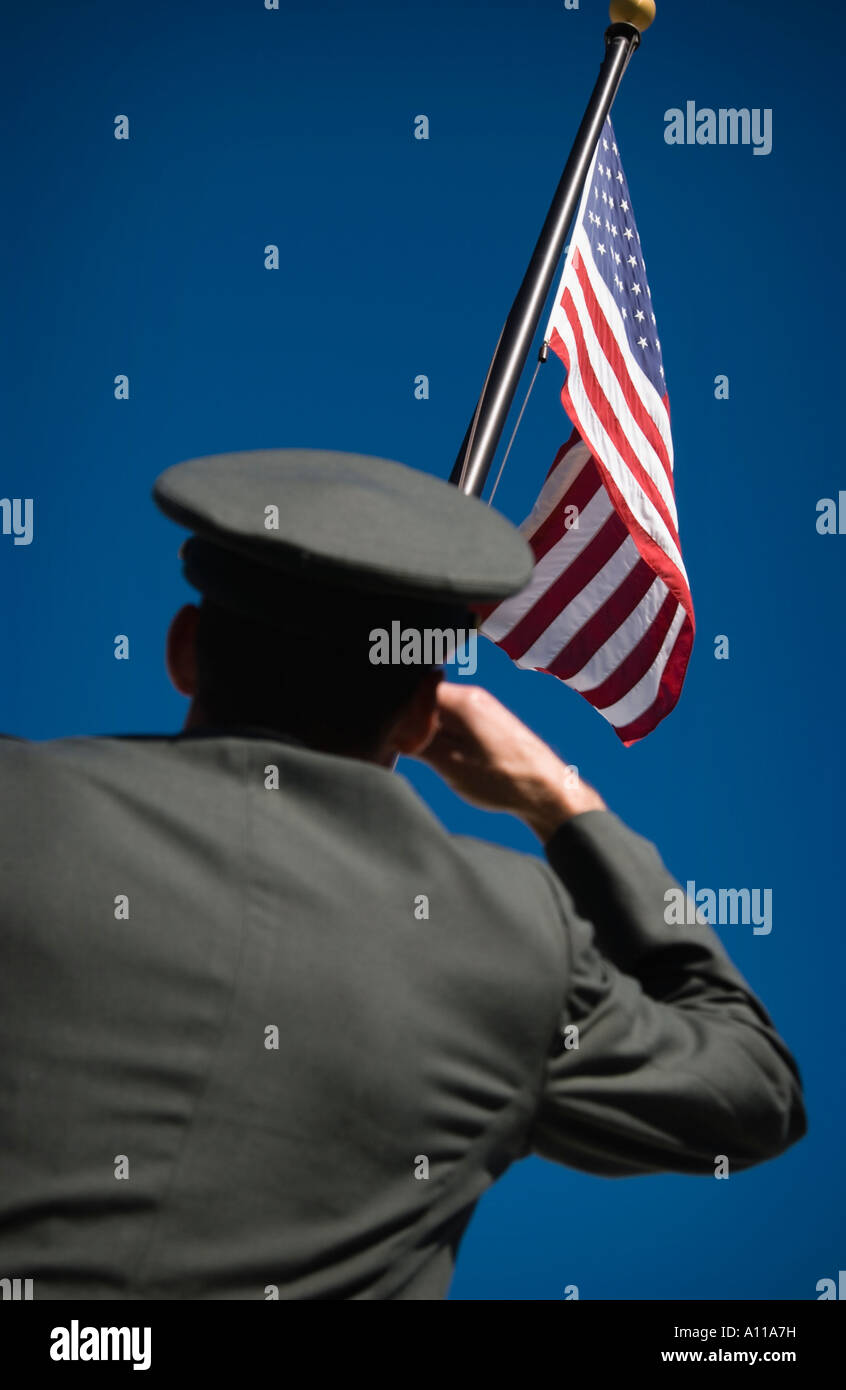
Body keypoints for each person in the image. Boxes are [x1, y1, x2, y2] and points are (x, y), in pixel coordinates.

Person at [0, 448, 805, 1301]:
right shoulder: (513, 941)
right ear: (424, 715)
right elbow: (751, 1087)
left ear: (185, 649)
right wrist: (563, 804)